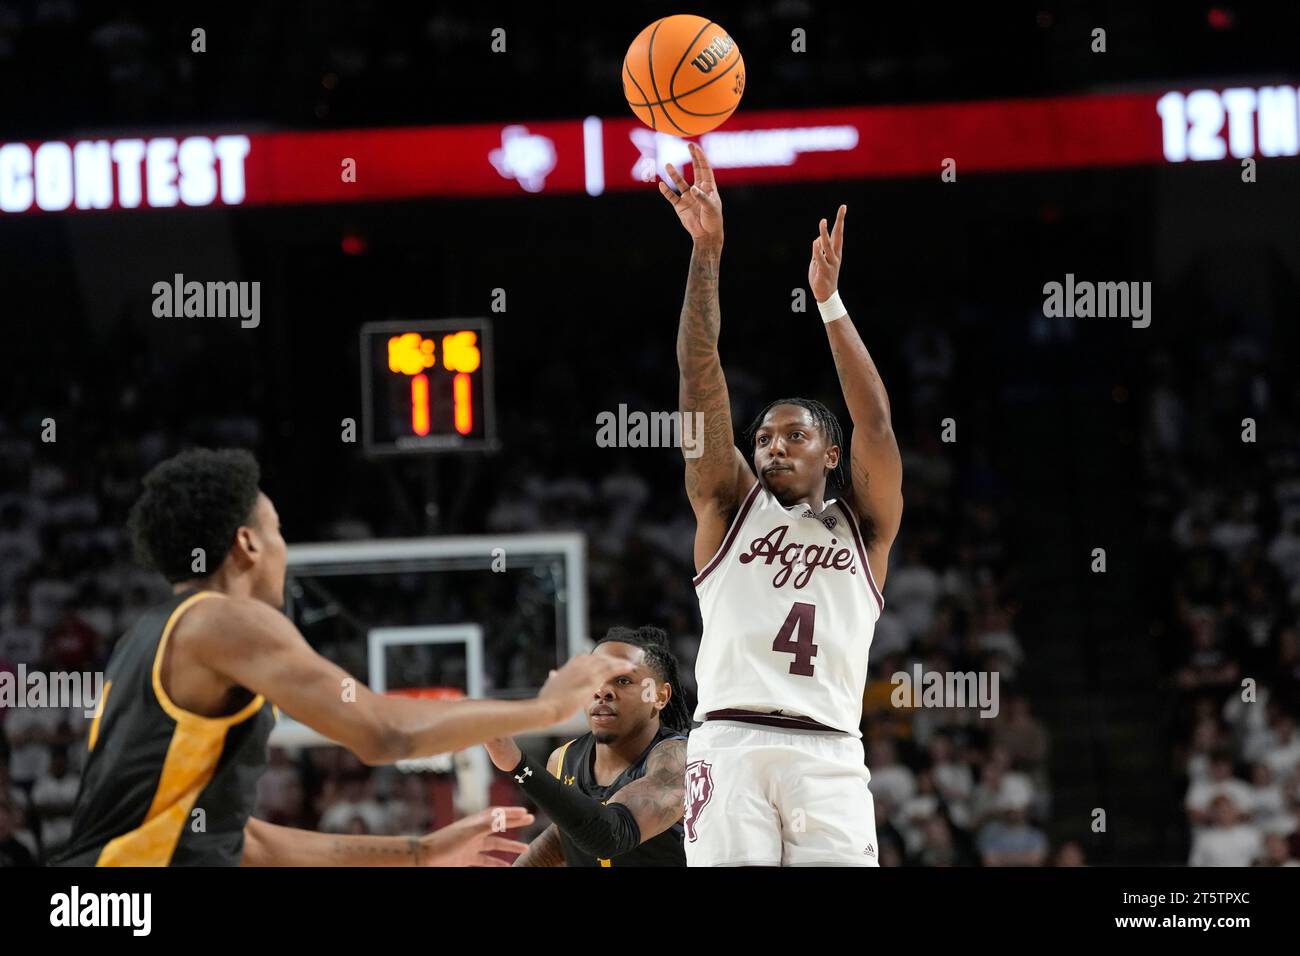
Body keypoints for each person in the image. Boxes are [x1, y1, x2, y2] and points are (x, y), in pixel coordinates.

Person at [50, 448, 632, 867]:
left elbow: (244, 844)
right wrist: (545, 707)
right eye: (276, 531)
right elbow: (383, 733)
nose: (284, 549)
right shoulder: (221, 618)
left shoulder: (147, 640)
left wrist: (419, 853)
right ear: (247, 544)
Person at [658, 144, 903, 866]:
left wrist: (829, 301)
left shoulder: (864, 526)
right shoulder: (727, 506)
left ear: (831, 454)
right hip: (730, 746)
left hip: (829, 752)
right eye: (762, 437)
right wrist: (707, 252)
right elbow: (697, 372)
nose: (771, 447)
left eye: (794, 435)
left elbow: (878, 427)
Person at [485, 626, 690, 866]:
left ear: (660, 696)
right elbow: (564, 837)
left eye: (623, 680)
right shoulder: (562, 759)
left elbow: (610, 837)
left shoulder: (679, 760)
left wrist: (518, 765)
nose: (602, 691)